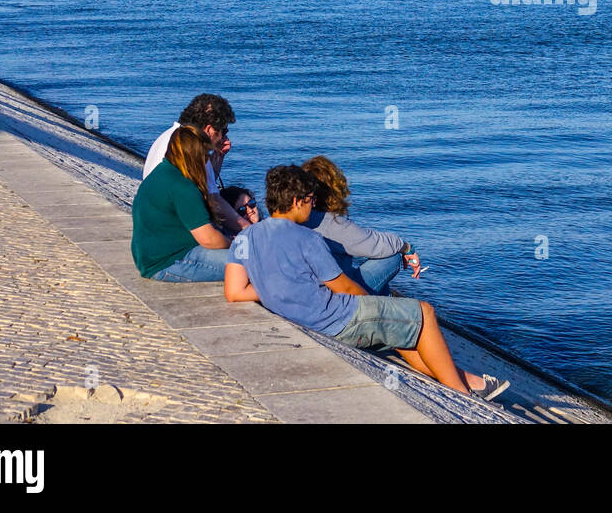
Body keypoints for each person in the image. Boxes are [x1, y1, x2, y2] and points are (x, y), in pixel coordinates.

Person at [225, 165, 508, 401]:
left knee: (401, 329)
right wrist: (378, 304)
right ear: (296, 201)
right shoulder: (307, 239)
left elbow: (234, 292)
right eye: (310, 199)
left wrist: (279, 289)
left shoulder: (244, 239)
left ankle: (464, 383)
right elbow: (344, 288)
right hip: (337, 320)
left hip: (310, 321)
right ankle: (461, 395)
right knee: (424, 313)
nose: (313, 205)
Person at [301, 155, 420, 296]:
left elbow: (362, 238)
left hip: (310, 288)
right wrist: (407, 248)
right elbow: (374, 244)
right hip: (337, 295)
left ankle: (385, 302)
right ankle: (382, 309)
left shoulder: (296, 218)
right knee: (391, 257)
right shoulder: (331, 224)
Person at [132, 125, 232, 281]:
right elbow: (208, 239)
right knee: (249, 263)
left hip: (152, 257)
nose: (207, 160)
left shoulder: (162, 172)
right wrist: (232, 243)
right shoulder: (182, 187)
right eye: (207, 154)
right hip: (170, 262)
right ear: (196, 156)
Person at [143, 94, 249, 233]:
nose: (224, 136)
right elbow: (215, 200)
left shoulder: (172, 135)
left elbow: (206, 184)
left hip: (159, 222)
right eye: (224, 131)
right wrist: (248, 229)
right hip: (177, 230)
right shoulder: (189, 148)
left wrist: (218, 156)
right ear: (210, 129)